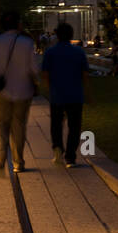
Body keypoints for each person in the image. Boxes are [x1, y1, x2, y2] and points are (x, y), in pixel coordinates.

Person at [0, 10, 40, 173]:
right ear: (17, 24)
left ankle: (0, 158)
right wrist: (36, 82)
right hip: (23, 91)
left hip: (2, 90)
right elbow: (33, 68)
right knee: (19, 126)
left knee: (2, 123)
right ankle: (18, 162)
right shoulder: (27, 43)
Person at [40, 22, 90, 167]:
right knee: (74, 126)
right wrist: (88, 93)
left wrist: (49, 88)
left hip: (57, 95)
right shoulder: (79, 52)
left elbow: (45, 73)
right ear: (71, 35)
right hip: (75, 95)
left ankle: (57, 148)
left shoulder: (50, 52)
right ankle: (70, 157)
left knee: (56, 124)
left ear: (57, 35)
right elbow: (85, 74)